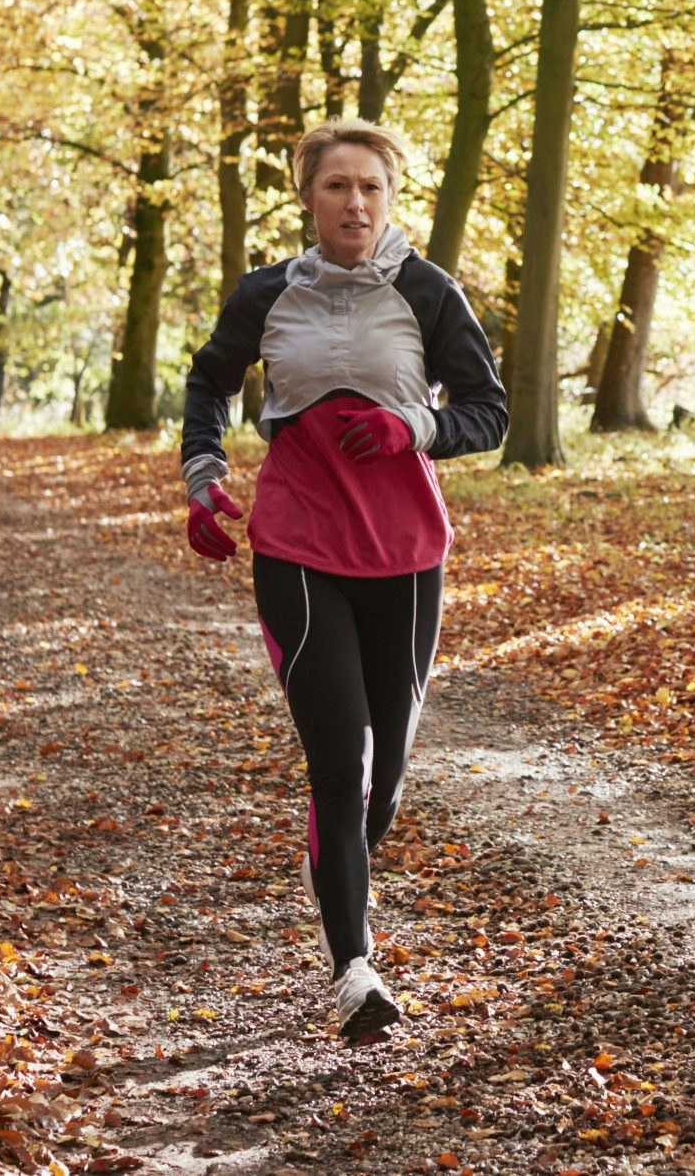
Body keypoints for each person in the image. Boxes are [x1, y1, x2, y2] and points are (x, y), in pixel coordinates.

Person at [177, 119, 506, 1043]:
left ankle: (345, 879)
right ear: (307, 196)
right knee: (342, 759)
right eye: (336, 187)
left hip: (404, 550)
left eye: (370, 187)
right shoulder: (267, 295)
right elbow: (208, 386)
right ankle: (354, 967)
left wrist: (418, 430)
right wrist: (205, 480)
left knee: (387, 774)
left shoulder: (428, 292)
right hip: (296, 540)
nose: (354, 203)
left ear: (389, 197)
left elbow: (490, 411)